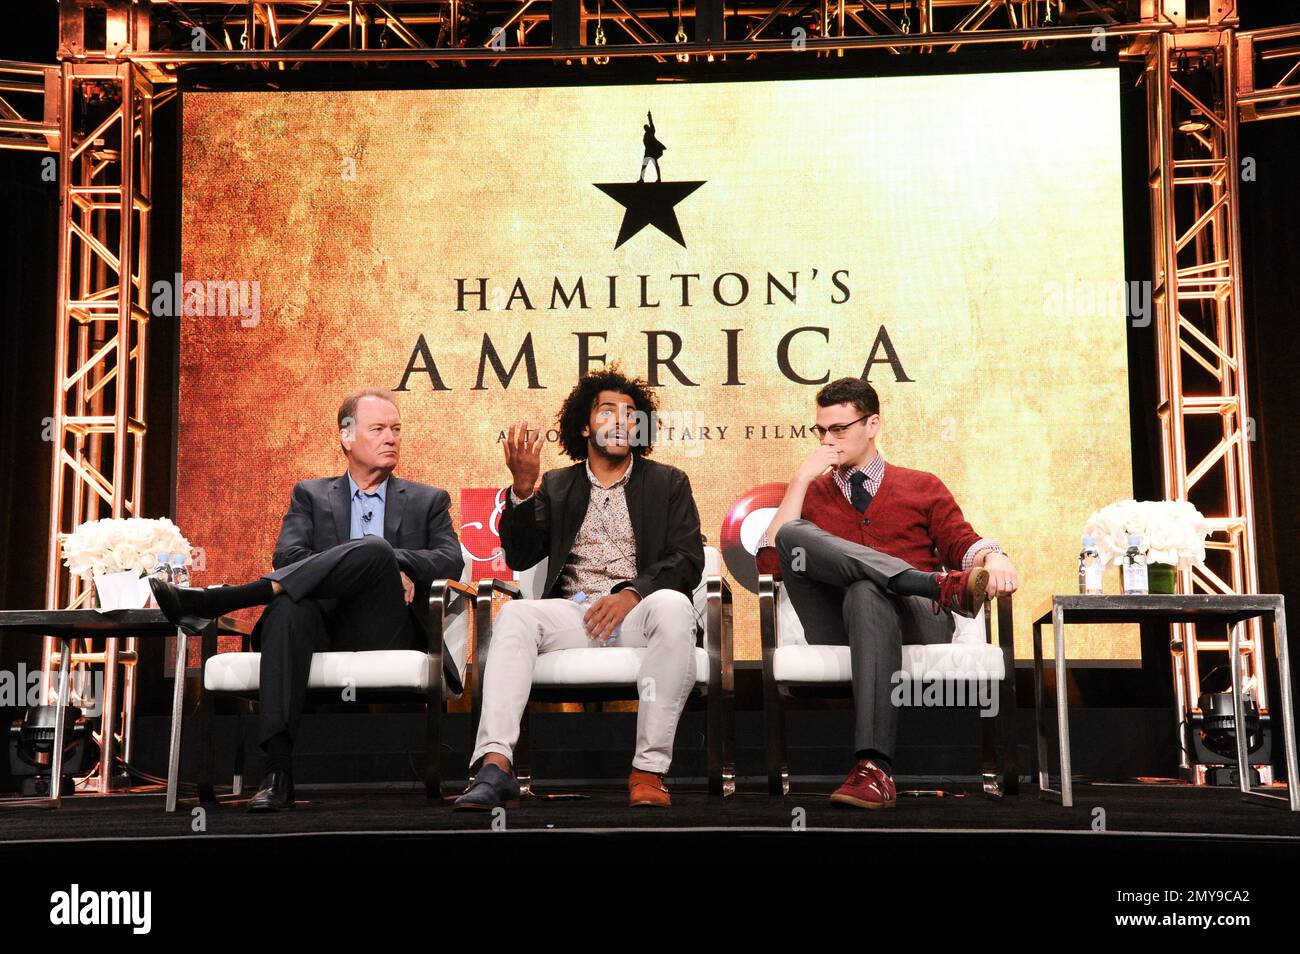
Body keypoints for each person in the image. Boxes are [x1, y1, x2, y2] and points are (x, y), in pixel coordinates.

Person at [150, 388, 464, 812]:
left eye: (396, 429)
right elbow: (289, 557)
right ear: (346, 437)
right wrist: (355, 566)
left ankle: (229, 599)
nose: (391, 438)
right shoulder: (311, 495)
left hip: (385, 626)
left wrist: (391, 561)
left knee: (373, 550)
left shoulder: (429, 499)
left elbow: (450, 560)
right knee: (287, 609)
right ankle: (277, 772)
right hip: (319, 626)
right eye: (378, 429)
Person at [758, 376, 1020, 809]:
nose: (828, 441)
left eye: (839, 429)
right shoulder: (813, 492)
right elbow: (770, 565)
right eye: (820, 430)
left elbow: (961, 543)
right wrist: (800, 482)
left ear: (872, 424)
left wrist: (994, 556)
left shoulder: (921, 485)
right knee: (793, 537)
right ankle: (934, 583)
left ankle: (873, 770)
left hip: (917, 620)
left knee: (865, 589)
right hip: (835, 621)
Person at [455, 366, 703, 810]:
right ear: (586, 425)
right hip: (576, 614)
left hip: (638, 614)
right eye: (609, 411)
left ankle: (648, 771)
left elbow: (686, 559)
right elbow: (520, 556)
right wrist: (524, 490)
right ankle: (495, 767)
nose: (623, 421)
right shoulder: (557, 484)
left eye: (632, 414)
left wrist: (633, 593)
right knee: (514, 614)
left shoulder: (668, 483)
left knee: (673, 605)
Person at [639, 110, 666, 182]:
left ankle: (659, 178)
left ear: (648, 128)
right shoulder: (645, 135)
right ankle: (641, 179)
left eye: (646, 127)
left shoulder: (651, 131)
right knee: (644, 166)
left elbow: (651, 123)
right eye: (645, 128)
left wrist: (649, 116)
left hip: (653, 152)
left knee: (656, 165)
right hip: (647, 152)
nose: (645, 128)